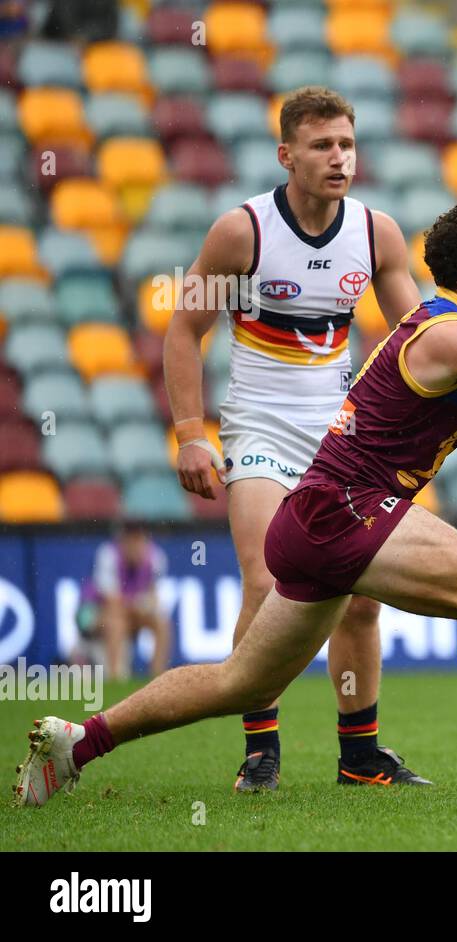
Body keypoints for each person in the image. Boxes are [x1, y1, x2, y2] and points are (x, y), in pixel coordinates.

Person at [15, 203, 457, 807]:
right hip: (346, 507)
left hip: (318, 516)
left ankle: (79, 742)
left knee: (240, 682)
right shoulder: (452, 336)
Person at [163, 87, 428, 791]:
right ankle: (261, 749)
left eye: (346, 143)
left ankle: (360, 755)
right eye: (322, 146)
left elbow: (423, 337)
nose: (338, 157)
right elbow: (183, 331)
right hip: (257, 427)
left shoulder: (377, 234)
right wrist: (191, 434)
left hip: (341, 437)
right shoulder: (240, 232)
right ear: (287, 155)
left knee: (364, 595)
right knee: (265, 578)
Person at [85, 522, 172, 679]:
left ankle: (157, 676)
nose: (136, 547)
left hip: (129, 611)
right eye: (131, 541)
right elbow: (111, 601)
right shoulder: (108, 554)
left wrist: (143, 606)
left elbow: (155, 597)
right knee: (116, 623)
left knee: (161, 623)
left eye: (139, 541)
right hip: (93, 613)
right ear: (123, 542)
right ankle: (115, 676)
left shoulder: (156, 557)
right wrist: (140, 605)